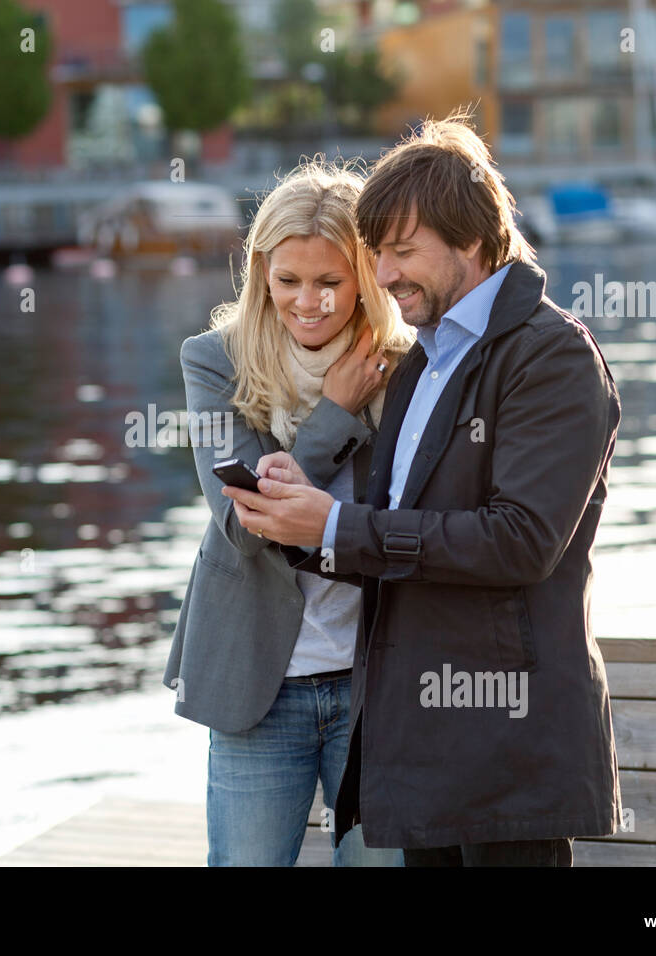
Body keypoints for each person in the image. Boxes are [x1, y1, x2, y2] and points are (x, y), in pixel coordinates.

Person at [222, 114, 623, 867]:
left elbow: (521, 541)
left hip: (508, 749)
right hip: (421, 751)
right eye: (376, 253)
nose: (383, 274)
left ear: (472, 241)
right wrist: (294, 523)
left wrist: (336, 527)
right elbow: (404, 534)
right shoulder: (421, 362)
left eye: (402, 252)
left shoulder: (553, 357)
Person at [163, 161, 412, 866]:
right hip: (257, 684)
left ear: (365, 277)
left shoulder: (405, 367)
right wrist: (334, 412)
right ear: (260, 274)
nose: (309, 303)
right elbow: (243, 524)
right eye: (288, 281)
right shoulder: (214, 362)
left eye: (330, 283)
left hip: (377, 686)